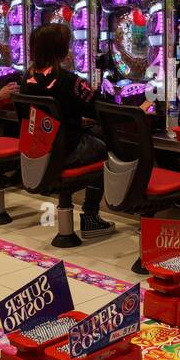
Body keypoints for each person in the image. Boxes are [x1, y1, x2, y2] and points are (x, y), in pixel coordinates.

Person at [24, 23, 117, 239]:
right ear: (62, 51)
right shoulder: (69, 81)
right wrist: (141, 108)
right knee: (108, 147)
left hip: (40, 150)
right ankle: (91, 216)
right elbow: (101, 109)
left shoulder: (26, 79)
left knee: (95, 134)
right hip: (68, 149)